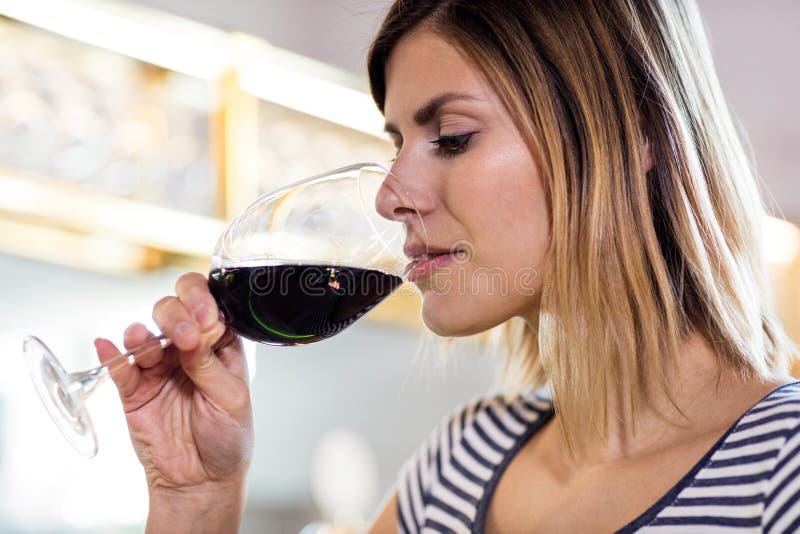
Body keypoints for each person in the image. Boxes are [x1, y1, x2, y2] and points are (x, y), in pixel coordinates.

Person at [95, 0, 800, 532]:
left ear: (633, 133)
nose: (390, 193)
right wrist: (198, 500)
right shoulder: (459, 466)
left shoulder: (783, 471)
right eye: (399, 141)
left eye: (453, 137)